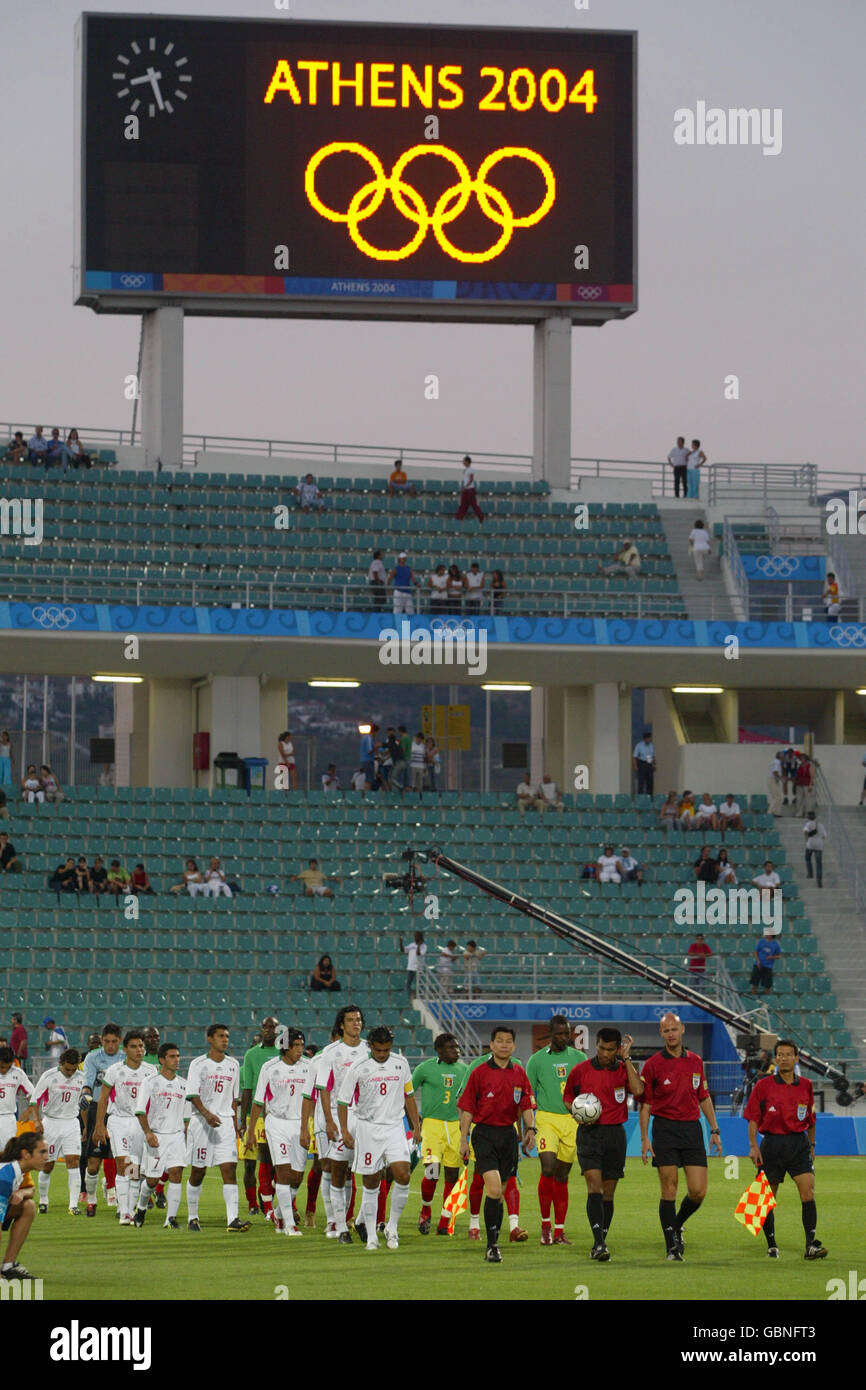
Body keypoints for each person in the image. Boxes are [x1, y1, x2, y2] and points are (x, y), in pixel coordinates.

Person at [639, 1012, 722, 1260]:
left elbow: (704, 1097)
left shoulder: (696, 1061)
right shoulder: (653, 1065)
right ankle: (671, 1247)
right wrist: (644, 1138)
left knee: (698, 1191)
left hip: (691, 1129)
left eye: (674, 1029)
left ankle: (675, 1225)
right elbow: (645, 1105)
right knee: (669, 1189)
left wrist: (715, 1130)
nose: (671, 1034)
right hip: (664, 1129)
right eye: (666, 1030)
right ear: (661, 1033)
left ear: (682, 1029)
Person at [338, 1025, 421, 1251]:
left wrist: (416, 1126)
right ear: (370, 1046)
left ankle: (391, 1228)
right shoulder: (358, 1067)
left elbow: (409, 1096)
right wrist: (345, 1131)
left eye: (386, 1050)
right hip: (368, 1128)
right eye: (378, 1050)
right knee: (371, 1181)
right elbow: (343, 1101)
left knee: (403, 1175)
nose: (382, 1054)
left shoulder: (401, 1063)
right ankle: (372, 1234)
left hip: (394, 1126)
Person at [564, 1028, 643, 1260]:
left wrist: (627, 1059)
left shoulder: (623, 1069)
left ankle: (601, 1240)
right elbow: (568, 1098)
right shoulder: (581, 1070)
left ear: (618, 1049)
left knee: (608, 1193)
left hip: (615, 1135)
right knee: (594, 1186)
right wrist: (577, 1112)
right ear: (596, 1045)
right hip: (589, 1134)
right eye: (601, 1048)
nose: (605, 1053)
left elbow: (638, 1091)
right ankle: (598, 1243)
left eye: (610, 1049)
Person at [458, 1027, 535, 1263]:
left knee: (499, 1194)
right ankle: (492, 1245)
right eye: (499, 1041)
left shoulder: (519, 1073)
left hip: (508, 1136)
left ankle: (494, 1238)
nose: (504, 1045)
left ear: (513, 1046)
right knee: (492, 1189)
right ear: (491, 1045)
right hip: (484, 1135)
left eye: (508, 1041)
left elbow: (526, 1105)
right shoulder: (479, 1072)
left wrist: (530, 1129)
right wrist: (464, 1139)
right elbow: (467, 1108)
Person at [745, 1039, 826, 1259]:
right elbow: (752, 1118)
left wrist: (812, 1145)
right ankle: (771, 1244)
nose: (784, 1058)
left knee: (808, 1191)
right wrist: (753, 1145)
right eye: (780, 1054)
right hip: (772, 1145)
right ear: (776, 1058)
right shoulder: (763, 1085)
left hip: (798, 1144)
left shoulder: (806, 1085)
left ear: (796, 1058)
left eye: (788, 1054)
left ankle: (811, 1245)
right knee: (766, 1197)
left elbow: (811, 1119)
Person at [302, 1005, 368, 1243]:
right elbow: (323, 1089)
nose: (356, 1024)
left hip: (359, 1116)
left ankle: (348, 1218)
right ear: (341, 1024)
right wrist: (329, 1121)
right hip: (330, 1115)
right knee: (330, 1167)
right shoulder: (329, 1053)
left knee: (350, 1173)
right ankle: (333, 1219)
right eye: (350, 1020)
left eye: (358, 1019)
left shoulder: (368, 1050)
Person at [526, 1016, 587, 1247]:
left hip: (572, 1121)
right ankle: (545, 1226)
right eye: (560, 1033)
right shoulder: (536, 1061)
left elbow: (586, 1089)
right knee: (548, 1168)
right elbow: (528, 1096)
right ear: (550, 1033)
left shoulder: (579, 1058)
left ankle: (559, 1230)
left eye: (567, 1033)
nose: (564, 1037)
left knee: (562, 1175)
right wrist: (529, 1127)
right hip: (547, 1119)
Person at [244, 1028, 312, 1237]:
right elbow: (257, 1101)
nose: (300, 1050)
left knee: (297, 1176)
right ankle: (288, 1224)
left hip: (300, 1124)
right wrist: (251, 1131)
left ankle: (277, 1212)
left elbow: (309, 1099)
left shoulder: (309, 1068)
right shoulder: (269, 1068)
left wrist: (306, 1128)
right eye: (295, 1046)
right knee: (282, 1172)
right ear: (285, 1047)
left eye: (301, 1045)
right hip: (276, 1123)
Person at [185, 1023, 249, 1232]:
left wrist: (236, 1124)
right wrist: (206, 1114)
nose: (225, 1039)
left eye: (227, 1036)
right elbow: (192, 1095)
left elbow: (233, 1099)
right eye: (221, 1036)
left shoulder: (233, 1065)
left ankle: (233, 1219)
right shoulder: (198, 1064)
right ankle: (192, 1217)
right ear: (210, 1039)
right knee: (198, 1171)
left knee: (229, 1168)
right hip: (202, 1123)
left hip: (224, 1124)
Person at [93, 1030, 158, 1226]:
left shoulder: (151, 1071)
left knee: (134, 1168)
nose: (139, 1050)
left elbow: (154, 1101)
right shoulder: (114, 1070)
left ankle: (128, 1207)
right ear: (125, 1049)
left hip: (140, 1123)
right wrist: (99, 1125)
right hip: (119, 1121)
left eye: (141, 1046)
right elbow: (103, 1098)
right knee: (122, 1163)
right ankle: (124, 1213)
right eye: (134, 1046)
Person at [413, 1034, 470, 1236]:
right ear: (439, 1050)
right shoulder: (425, 1068)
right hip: (431, 1126)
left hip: (456, 1127)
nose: (457, 1051)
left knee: (452, 1176)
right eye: (451, 1047)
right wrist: (414, 1122)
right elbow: (407, 1093)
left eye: (457, 1047)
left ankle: (445, 1220)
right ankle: (426, 1210)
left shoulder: (464, 1070)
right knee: (432, 1171)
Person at [133, 1042, 188, 1229]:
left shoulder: (184, 1085)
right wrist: (148, 1133)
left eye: (178, 1056)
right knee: (151, 1180)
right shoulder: (150, 1082)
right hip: (156, 1136)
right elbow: (140, 1111)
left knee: (176, 1173)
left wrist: (186, 1135)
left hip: (177, 1136)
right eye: (172, 1056)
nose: (176, 1060)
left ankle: (170, 1218)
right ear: (162, 1060)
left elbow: (186, 1116)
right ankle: (140, 1209)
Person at [31, 1048, 86, 1214]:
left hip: (71, 1123)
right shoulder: (48, 1076)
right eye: (67, 1069)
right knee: (48, 1165)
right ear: (61, 1063)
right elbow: (34, 1100)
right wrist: (37, 1120)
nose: (70, 1072)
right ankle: (43, 1200)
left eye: (73, 1069)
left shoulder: (82, 1079)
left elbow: (84, 1105)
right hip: (51, 1123)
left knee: (73, 1161)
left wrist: (86, 1126)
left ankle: (73, 1205)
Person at [238, 1016, 281, 1222]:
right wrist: (242, 1120)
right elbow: (247, 1090)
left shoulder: (283, 1054)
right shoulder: (251, 1055)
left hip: (275, 1115)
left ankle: (266, 1200)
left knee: (273, 1163)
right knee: (249, 1164)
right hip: (254, 1116)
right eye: (265, 1026)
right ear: (261, 1028)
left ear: (278, 1029)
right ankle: (253, 1204)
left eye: (273, 1026)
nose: (269, 1029)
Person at [80, 1022, 123, 1213]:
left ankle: (125, 1202)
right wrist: (84, 1093)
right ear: (102, 1040)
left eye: (114, 1042)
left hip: (121, 1112)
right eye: (107, 1041)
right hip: (98, 1109)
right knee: (94, 1163)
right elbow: (88, 1081)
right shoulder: (92, 1057)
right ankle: (91, 1199)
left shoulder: (126, 1058)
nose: (110, 1045)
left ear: (120, 1041)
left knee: (125, 1160)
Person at [0, 1131, 50, 1282]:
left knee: (28, 1206)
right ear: (26, 1154)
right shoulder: (5, 1178)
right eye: (41, 1152)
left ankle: (8, 1266)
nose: (47, 1157)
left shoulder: (15, 1172)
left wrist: (21, 1193)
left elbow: (30, 1191)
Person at [0, 1047, 35, 1150]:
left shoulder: (18, 1073)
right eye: (1, 1067)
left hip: (7, 1119)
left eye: (8, 1067)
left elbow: (33, 1094)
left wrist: (29, 1111)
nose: (4, 1070)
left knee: (8, 1153)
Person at [750, 929, 782, 996]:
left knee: (767, 987)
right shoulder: (761, 941)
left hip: (768, 967)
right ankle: (753, 1000)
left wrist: (772, 957)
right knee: (754, 985)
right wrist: (758, 960)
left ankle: (767, 1000)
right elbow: (756, 952)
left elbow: (779, 956)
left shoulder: (775, 944)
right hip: (758, 966)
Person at [455, 454, 484, 523]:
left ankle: (481, 517)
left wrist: (465, 487)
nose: (463, 462)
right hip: (466, 490)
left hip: (470, 490)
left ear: (467, 462)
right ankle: (459, 518)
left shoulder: (470, 470)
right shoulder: (466, 470)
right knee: (463, 505)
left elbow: (471, 480)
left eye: (464, 461)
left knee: (474, 505)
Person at [803, 813, 827, 888]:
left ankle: (810, 873)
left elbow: (805, 832)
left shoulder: (808, 824)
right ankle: (819, 879)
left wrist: (807, 840)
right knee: (819, 863)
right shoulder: (821, 825)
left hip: (810, 844)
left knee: (807, 858)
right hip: (819, 845)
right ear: (815, 817)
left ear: (808, 817)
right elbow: (824, 836)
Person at [400, 931, 427, 998]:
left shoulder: (424, 946)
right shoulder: (411, 944)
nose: (415, 938)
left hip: (418, 968)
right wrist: (401, 943)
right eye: (415, 936)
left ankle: (419, 997)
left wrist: (418, 945)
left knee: (418, 984)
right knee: (408, 984)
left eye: (416, 936)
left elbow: (418, 954)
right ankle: (407, 997)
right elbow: (403, 950)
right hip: (410, 967)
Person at [389, 551, 415, 616]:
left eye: (404, 558)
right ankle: (397, 625)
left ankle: (409, 625)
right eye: (402, 558)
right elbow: (390, 579)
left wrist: (417, 584)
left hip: (407, 592)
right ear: (400, 559)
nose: (403, 559)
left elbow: (413, 579)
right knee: (397, 610)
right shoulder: (396, 569)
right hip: (398, 591)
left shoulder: (409, 569)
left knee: (410, 611)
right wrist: (388, 589)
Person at [633, 730, 655, 796]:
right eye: (648, 738)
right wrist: (635, 766)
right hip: (642, 763)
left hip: (649, 762)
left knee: (650, 781)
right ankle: (640, 796)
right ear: (645, 739)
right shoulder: (639, 745)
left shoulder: (651, 746)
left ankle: (650, 797)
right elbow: (635, 756)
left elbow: (652, 755)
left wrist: (654, 764)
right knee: (641, 782)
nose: (650, 739)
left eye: (650, 738)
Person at [359, 723, 378, 787]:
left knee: (368, 779)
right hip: (368, 761)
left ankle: (366, 794)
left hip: (364, 760)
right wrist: (376, 747)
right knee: (369, 780)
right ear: (375, 732)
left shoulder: (364, 737)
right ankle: (367, 794)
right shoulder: (369, 738)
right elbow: (369, 751)